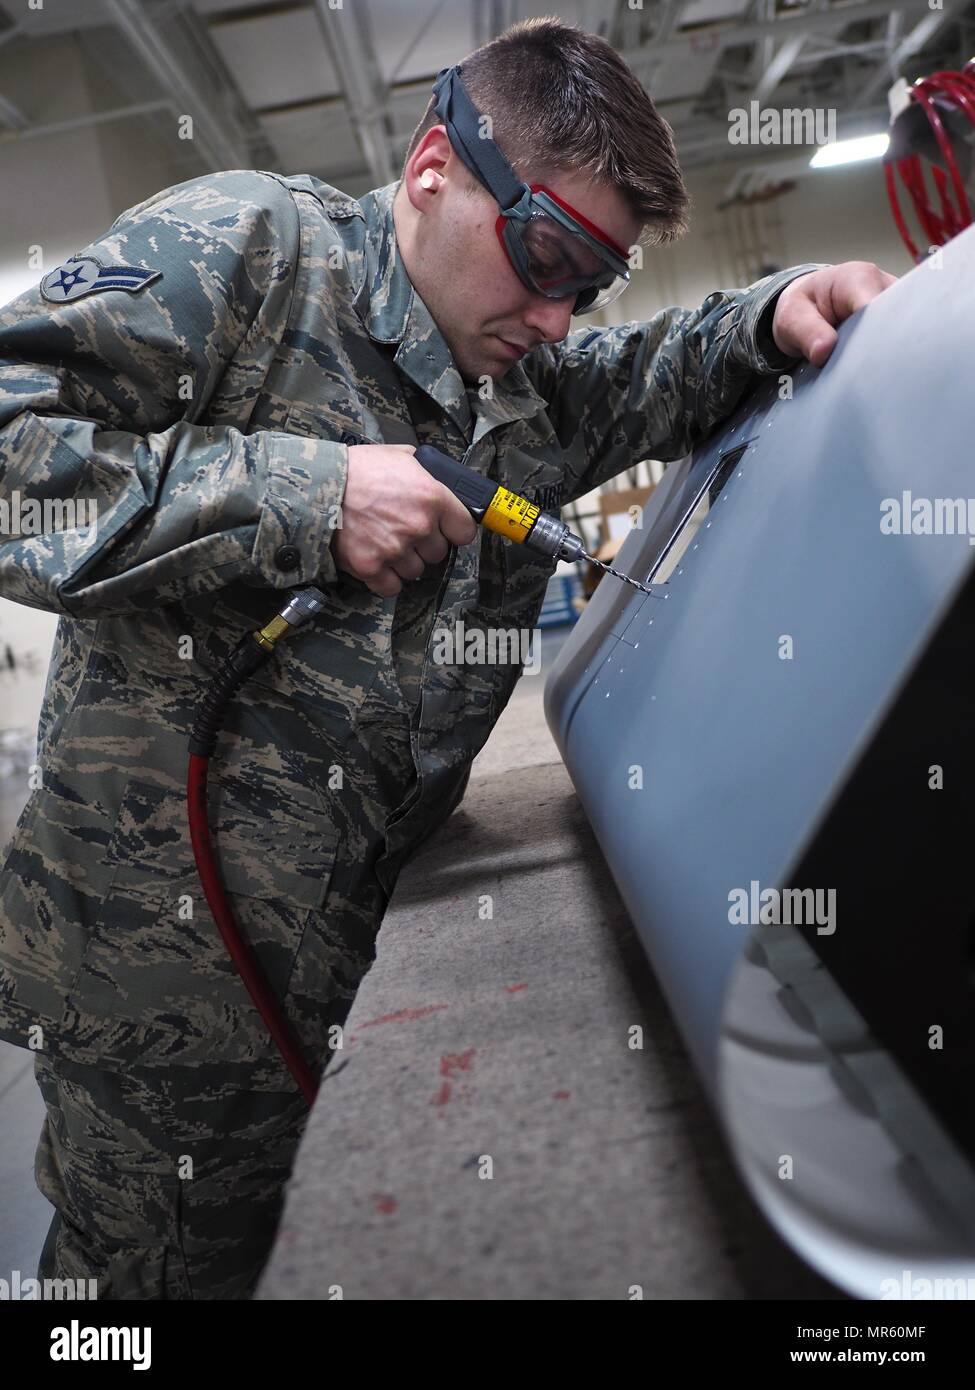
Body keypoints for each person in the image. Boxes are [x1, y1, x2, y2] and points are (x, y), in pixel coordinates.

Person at [0, 16, 896, 1298]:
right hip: (166, 996)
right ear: (434, 167)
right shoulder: (251, 249)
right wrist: (305, 496)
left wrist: (774, 312)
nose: (553, 313)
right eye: (541, 254)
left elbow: (648, 372)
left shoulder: (520, 384)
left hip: (361, 964)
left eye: (588, 283)